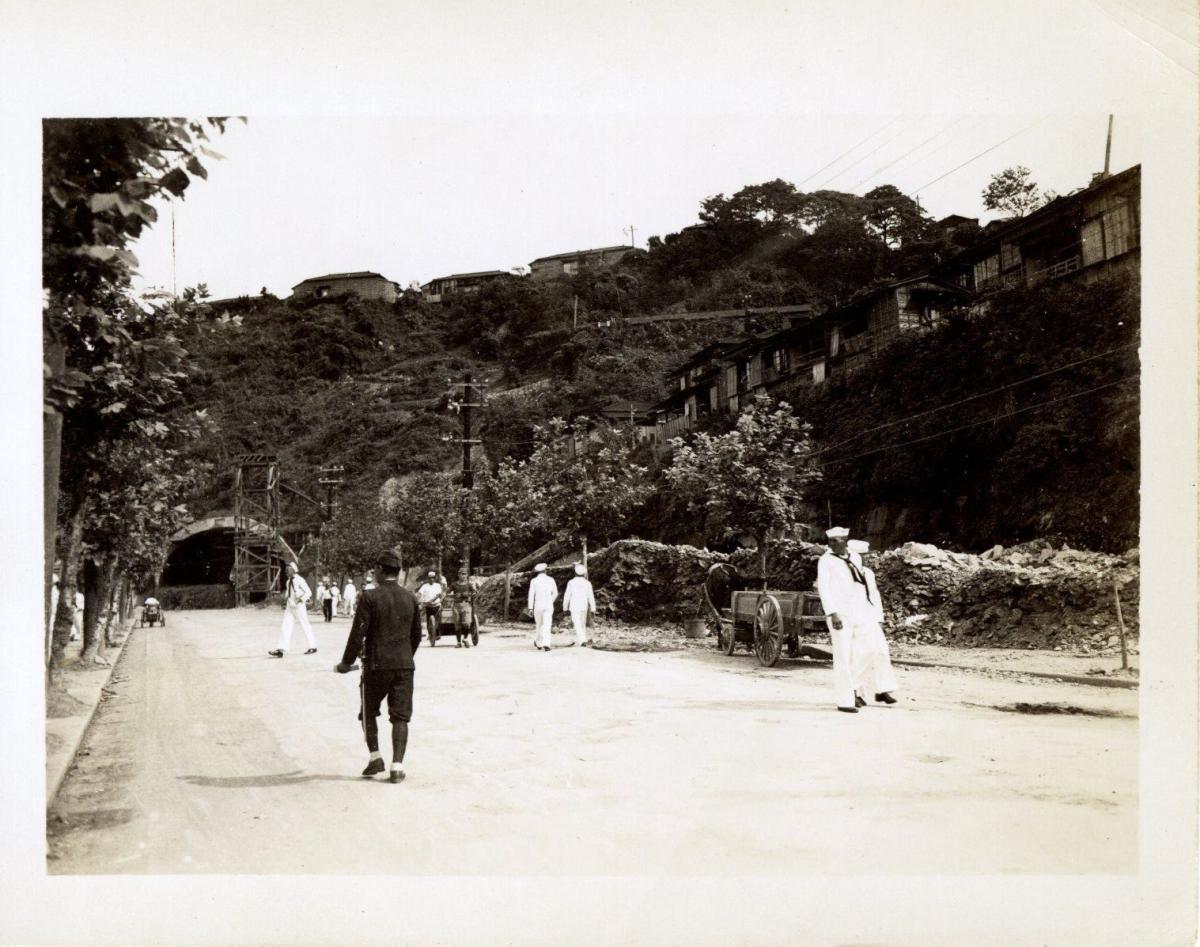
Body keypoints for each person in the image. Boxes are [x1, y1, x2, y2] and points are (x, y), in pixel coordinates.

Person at [335, 551, 423, 783]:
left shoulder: (369, 597)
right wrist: (404, 656)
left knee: (368, 711)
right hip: (404, 666)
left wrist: (346, 663)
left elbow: (357, 634)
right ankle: (397, 767)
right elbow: (416, 635)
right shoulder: (410, 598)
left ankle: (375, 758)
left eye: (375, 570)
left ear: (381, 571)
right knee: (400, 716)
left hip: (376, 665)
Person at [815, 527, 874, 714]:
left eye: (836, 541)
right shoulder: (826, 560)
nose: (832, 545)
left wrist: (867, 610)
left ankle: (855, 688)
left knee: (866, 651)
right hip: (839, 614)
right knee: (842, 656)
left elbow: (860, 586)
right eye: (830, 541)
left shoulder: (855, 557)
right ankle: (845, 700)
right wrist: (833, 613)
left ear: (845, 541)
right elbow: (824, 588)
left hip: (858, 611)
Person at [847, 540, 899, 706]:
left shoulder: (868, 573)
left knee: (881, 651)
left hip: (870, 618)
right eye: (862, 556)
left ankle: (883, 689)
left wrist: (879, 618)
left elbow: (874, 595)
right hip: (856, 618)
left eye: (866, 555)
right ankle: (854, 691)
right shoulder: (846, 572)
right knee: (862, 654)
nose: (866, 559)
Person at [269, 562, 318, 658]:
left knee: (305, 625)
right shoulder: (288, 582)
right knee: (285, 626)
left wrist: (300, 600)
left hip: (299, 606)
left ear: (293, 570)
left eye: (288, 569)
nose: (286, 571)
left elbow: (308, 592)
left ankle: (313, 646)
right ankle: (281, 649)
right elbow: (288, 594)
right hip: (290, 606)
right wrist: (286, 600)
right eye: (286, 570)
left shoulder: (300, 580)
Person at [562, 563, 596, 647]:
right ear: (584, 573)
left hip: (574, 606)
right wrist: (593, 609)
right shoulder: (587, 583)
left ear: (575, 572)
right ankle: (583, 640)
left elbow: (567, 596)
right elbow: (591, 596)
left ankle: (582, 641)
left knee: (577, 623)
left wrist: (565, 608)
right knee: (582, 623)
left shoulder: (571, 582)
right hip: (583, 606)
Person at [527, 562, 558, 652]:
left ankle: (539, 643)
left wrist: (530, 608)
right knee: (547, 624)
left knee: (539, 624)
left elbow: (531, 595)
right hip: (548, 605)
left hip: (538, 605)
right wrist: (550, 601)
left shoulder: (534, 581)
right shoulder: (551, 579)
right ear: (545, 570)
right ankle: (546, 644)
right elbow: (555, 593)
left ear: (537, 572)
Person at [415, 571, 444, 641]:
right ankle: (430, 634)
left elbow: (439, 595)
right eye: (430, 578)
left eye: (433, 578)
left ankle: (437, 634)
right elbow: (419, 593)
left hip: (437, 605)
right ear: (428, 578)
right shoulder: (425, 586)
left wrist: (431, 601)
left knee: (437, 621)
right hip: (428, 606)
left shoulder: (438, 585)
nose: (431, 579)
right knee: (428, 620)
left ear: (435, 578)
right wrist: (417, 599)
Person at [451, 572, 474, 648]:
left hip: (466, 605)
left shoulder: (469, 585)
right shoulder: (454, 584)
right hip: (456, 605)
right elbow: (447, 592)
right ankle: (458, 642)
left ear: (466, 575)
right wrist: (454, 595)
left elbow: (474, 592)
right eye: (461, 574)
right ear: (458, 575)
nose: (463, 576)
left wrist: (467, 594)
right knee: (457, 624)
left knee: (467, 623)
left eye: (464, 574)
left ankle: (465, 639)